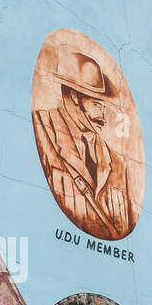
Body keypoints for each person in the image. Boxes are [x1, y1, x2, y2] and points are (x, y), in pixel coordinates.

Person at [32, 47, 134, 241]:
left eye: (105, 106)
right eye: (97, 103)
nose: (104, 114)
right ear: (73, 98)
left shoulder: (117, 166)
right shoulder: (43, 132)